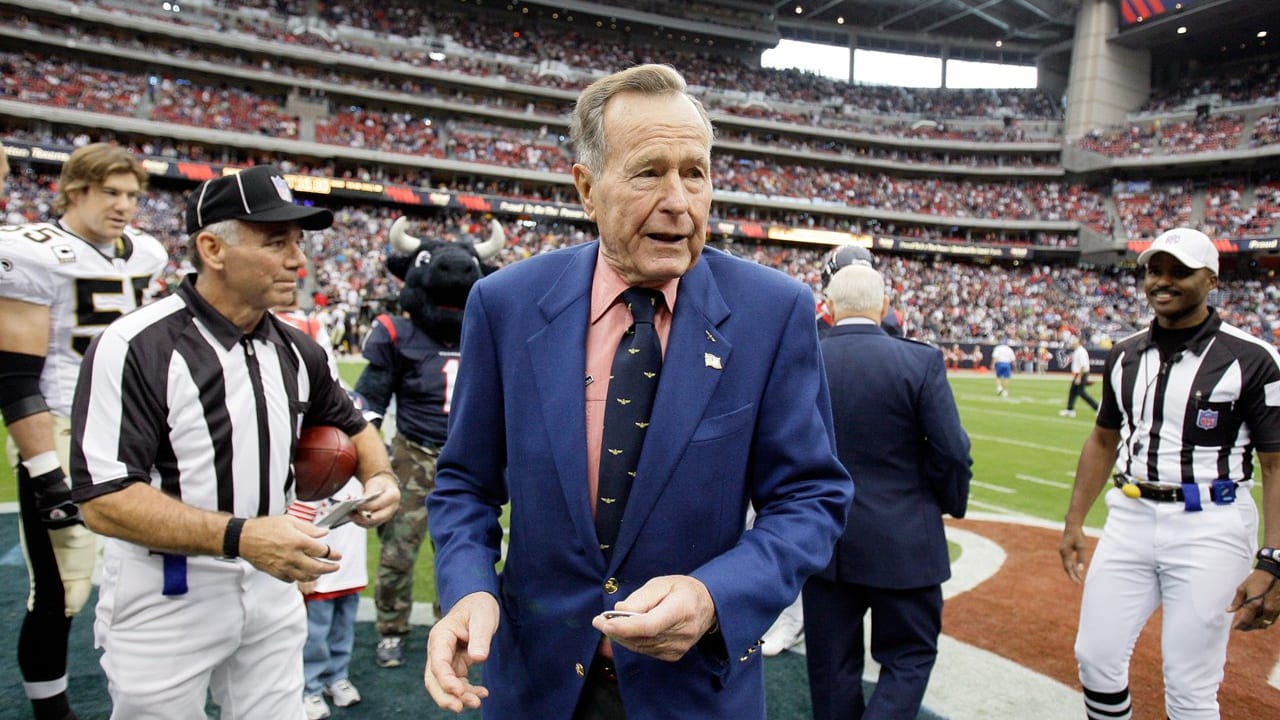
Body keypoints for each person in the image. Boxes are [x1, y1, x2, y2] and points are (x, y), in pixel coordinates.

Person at [422, 64, 853, 719]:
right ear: (587, 188)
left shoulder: (774, 312)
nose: (679, 200)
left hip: (695, 692)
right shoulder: (506, 304)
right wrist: (468, 589)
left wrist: (714, 596)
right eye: (650, 171)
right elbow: (465, 485)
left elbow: (811, 498)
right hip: (534, 687)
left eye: (696, 172)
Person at [69, 164, 401, 719]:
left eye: (298, 242)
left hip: (273, 580)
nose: (299, 260)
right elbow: (104, 501)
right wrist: (241, 537)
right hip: (169, 589)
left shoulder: (299, 349)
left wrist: (381, 476)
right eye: (276, 242)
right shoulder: (138, 345)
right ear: (212, 248)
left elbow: (354, 422)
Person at [1059, 227, 1280, 720]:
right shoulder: (1124, 353)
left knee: (1190, 684)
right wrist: (1075, 520)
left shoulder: (1252, 359)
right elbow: (1102, 439)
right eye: (1155, 270)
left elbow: (1276, 463)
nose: (1164, 281)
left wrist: (1273, 559)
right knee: (1095, 658)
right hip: (1130, 515)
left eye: (1180, 271)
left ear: (1211, 278)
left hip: (1211, 523)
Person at [0, 142, 167, 720]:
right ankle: (52, 711)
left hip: (130, 431)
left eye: (132, 195)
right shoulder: (30, 252)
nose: (124, 206)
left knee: (149, 571)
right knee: (60, 589)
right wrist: (45, 471)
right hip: (64, 431)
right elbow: (18, 377)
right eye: (111, 193)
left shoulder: (146, 252)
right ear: (74, 191)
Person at [804, 264, 972, 720]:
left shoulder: (806, 358)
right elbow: (952, 451)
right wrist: (949, 501)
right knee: (909, 658)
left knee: (831, 666)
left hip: (824, 538)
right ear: (884, 306)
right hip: (905, 538)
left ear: (830, 307)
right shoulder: (919, 360)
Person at [288, 476, 369, 720]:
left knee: (343, 631)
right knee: (315, 636)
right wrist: (303, 570)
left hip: (351, 572)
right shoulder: (317, 474)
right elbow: (296, 524)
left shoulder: (363, 479)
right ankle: (309, 687)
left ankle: (336, 677)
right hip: (320, 576)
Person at [1059, 336, 1099, 417]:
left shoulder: (1081, 351)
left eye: (1075, 341)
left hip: (1081, 374)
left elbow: (1083, 366)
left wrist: (1079, 377)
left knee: (1081, 393)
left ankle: (1097, 408)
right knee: (1073, 392)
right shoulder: (1078, 351)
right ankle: (1070, 409)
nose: (1073, 342)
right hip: (1079, 374)